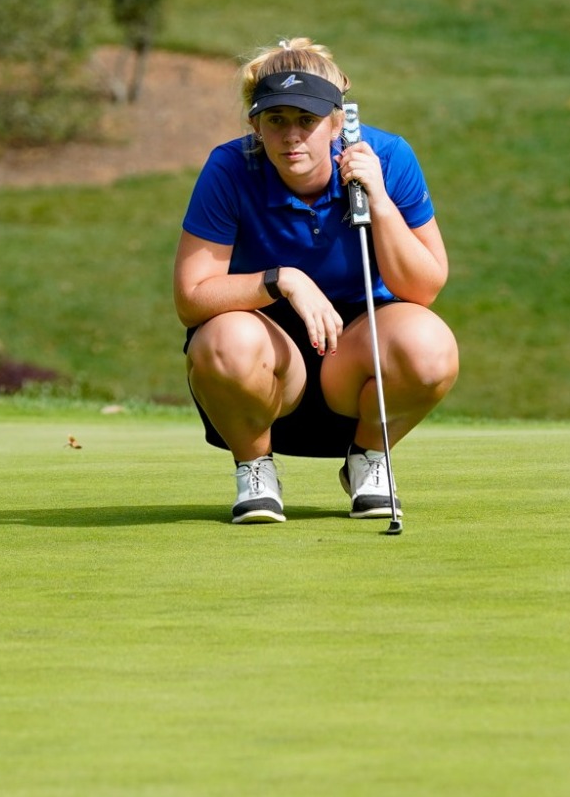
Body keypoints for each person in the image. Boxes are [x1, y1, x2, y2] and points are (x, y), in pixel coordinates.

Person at [173, 37, 459, 524]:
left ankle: (368, 459)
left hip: (360, 353)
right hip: (269, 355)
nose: (291, 137)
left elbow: (424, 289)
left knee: (429, 346)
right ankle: (254, 468)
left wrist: (379, 200)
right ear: (255, 125)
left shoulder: (387, 157)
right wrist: (283, 279)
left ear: (335, 122)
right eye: (276, 121)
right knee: (224, 339)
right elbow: (192, 298)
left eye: (306, 121)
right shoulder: (230, 167)